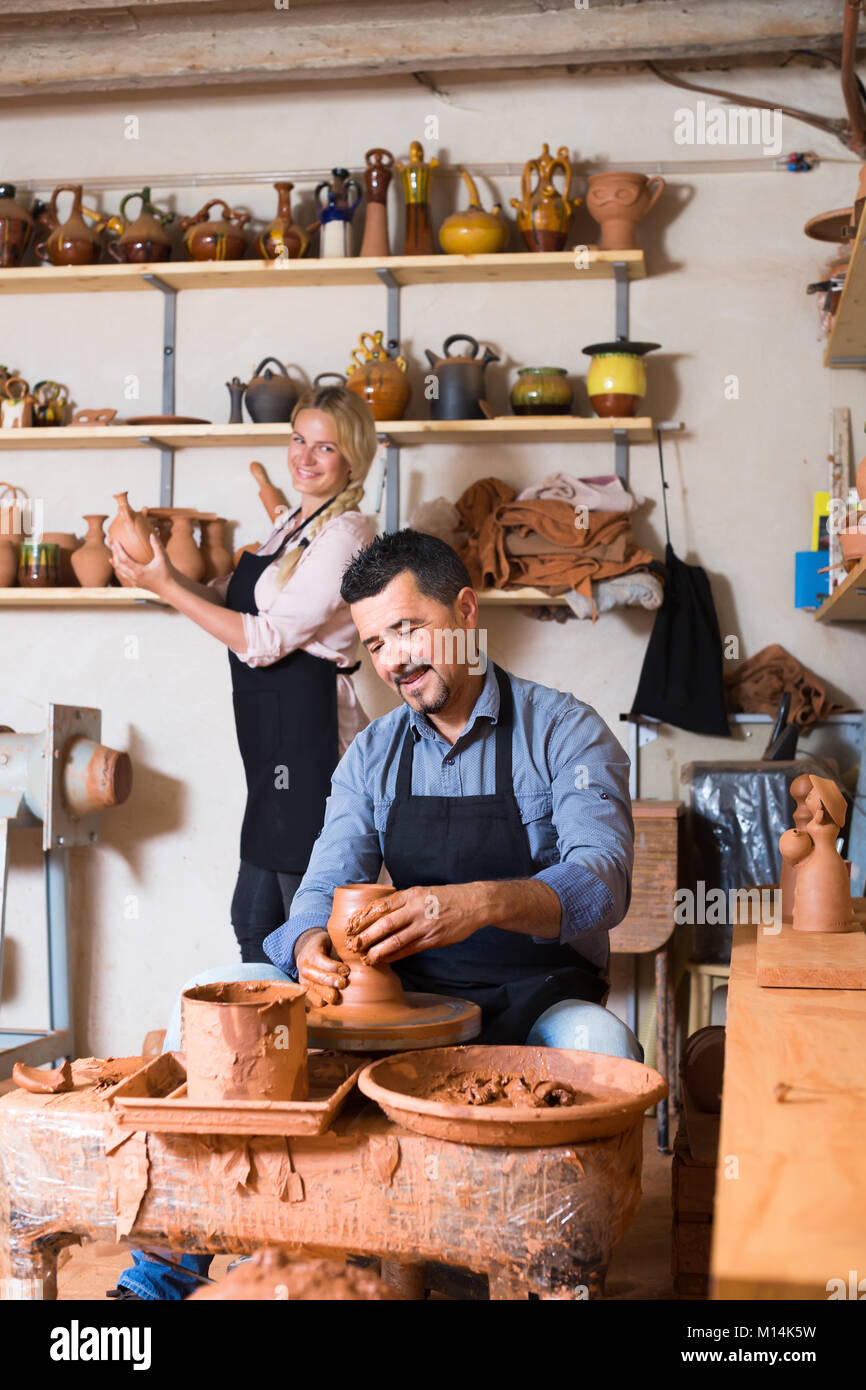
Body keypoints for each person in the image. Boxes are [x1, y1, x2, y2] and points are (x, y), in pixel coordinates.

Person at [113, 528, 639, 1300]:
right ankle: (163, 1271)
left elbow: (605, 880)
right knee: (212, 990)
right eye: (373, 642)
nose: (393, 658)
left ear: (464, 611)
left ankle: (560, 1276)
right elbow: (323, 885)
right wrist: (309, 944)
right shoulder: (373, 751)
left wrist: (479, 903)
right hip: (416, 1000)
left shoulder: (564, 729)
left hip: (534, 998)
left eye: (407, 628)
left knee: (605, 1042)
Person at [110, 385, 379, 963]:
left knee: (302, 922)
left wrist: (164, 587)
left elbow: (265, 640)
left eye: (324, 448)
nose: (303, 458)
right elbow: (229, 600)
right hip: (267, 732)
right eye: (297, 440)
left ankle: (319, 1043)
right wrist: (157, 576)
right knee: (252, 920)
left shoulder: (347, 535)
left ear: (353, 458)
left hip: (308, 737)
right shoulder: (292, 523)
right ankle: (270, 1040)